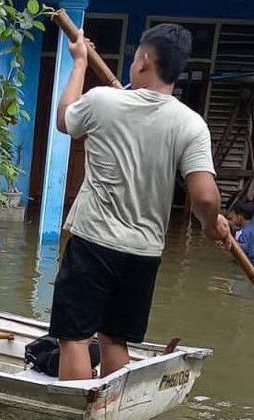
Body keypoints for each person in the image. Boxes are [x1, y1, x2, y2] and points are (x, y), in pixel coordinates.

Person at [50, 24, 231, 380]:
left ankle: (77, 418)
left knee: (73, 338)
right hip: (145, 252)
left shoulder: (103, 102)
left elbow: (63, 119)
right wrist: (211, 224)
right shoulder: (190, 124)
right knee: (115, 340)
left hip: (94, 241)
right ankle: (117, 414)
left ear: (145, 61)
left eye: (135, 58)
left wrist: (80, 63)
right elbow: (206, 195)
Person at [228, 200, 254, 266]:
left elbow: (245, 247)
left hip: (245, 262)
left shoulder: (242, 232)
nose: (232, 219)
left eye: (233, 217)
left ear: (240, 217)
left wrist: (230, 242)